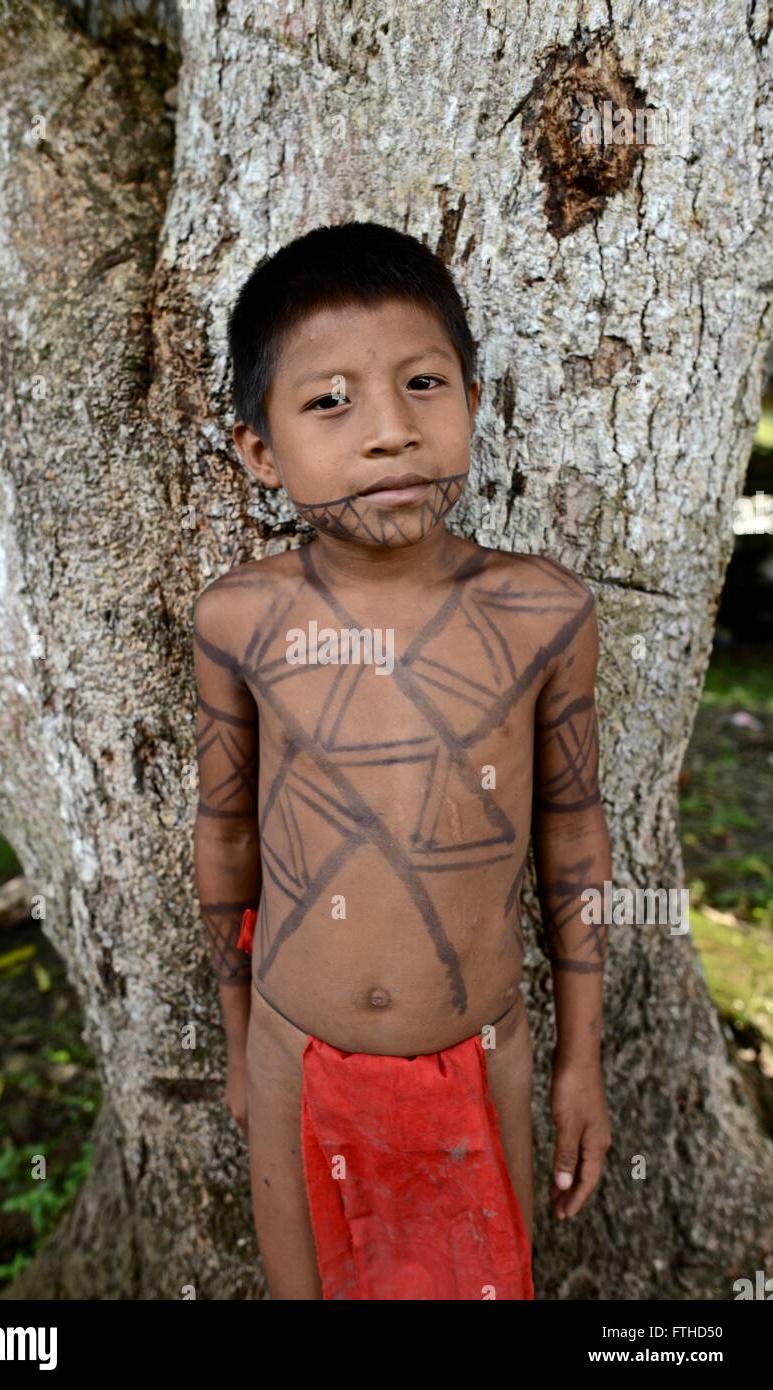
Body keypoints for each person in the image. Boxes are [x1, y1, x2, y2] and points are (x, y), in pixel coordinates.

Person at [192, 220, 613, 1300]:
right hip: (293, 1056)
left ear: (472, 399)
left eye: (424, 383)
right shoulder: (241, 617)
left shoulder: (542, 611)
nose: (388, 432)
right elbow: (226, 835)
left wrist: (580, 1057)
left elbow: (572, 837)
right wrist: (241, 1040)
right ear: (258, 449)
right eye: (328, 399)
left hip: (482, 1055)